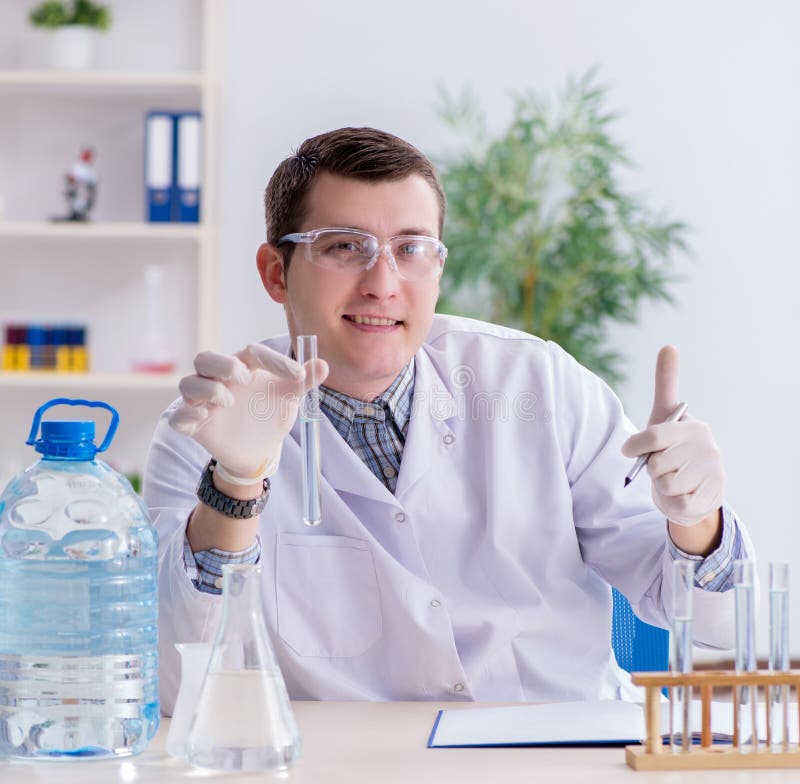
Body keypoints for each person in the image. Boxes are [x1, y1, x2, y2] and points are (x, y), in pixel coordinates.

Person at [143, 127, 753, 716]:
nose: (383, 284)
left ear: (437, 267)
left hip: (563, 750)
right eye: (344, 246)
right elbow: (179, 686)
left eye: (411, 249)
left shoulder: (539, 384)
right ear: (277, 272)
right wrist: (236, 485)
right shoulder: (208, 426)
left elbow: (712, 622)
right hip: (354, 769)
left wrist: (697, 518)